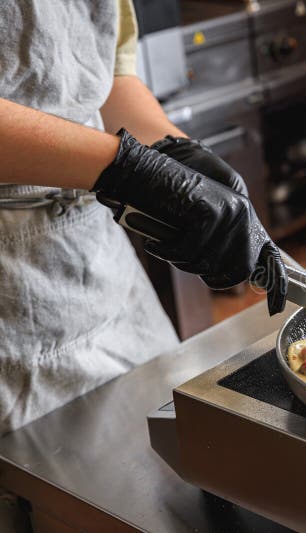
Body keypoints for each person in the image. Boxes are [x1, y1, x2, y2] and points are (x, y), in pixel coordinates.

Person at [0, 4, 288, 439]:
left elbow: (104, 73)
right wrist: (125, 169)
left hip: (96, 260)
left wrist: (169, 149)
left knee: (169, 442)